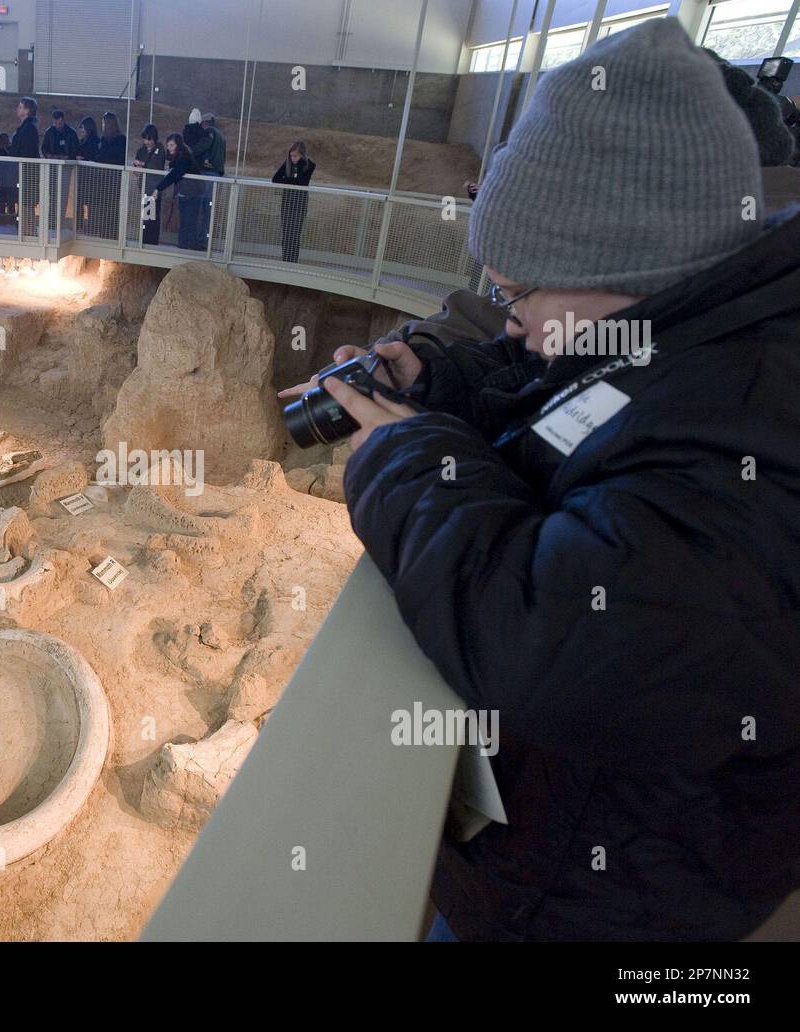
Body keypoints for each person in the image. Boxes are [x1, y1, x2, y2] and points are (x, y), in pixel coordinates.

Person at [300, 19, 800, 942]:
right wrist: (439, 382)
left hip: (623, 903)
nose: (510, 318)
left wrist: (403, 462)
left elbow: (558, 643)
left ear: (632, 270)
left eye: (520, 291)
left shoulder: (762, 419)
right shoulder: (683, 331)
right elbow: (566, 404)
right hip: (569, 850)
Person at [153, 132, 205, 250]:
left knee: (189, 221)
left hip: (192, 193)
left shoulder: (184, 157)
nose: (169, 148)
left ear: (178, 145)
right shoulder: (181, 156)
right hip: (185, 193)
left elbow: (174, 175)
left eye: (171, 145)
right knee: (185, 220)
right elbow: (175, 170)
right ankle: (184, 245)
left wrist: (158, 188)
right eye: (168, 145)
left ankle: (188, 246)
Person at [272, 141, 315, 262]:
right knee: (286, 234)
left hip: (299, 205)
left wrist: (290, 177)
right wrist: (291, 179)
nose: (293, 158)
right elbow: (275, 179)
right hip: (287, 204)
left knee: (295, 235)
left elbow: (302, 181)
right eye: (291, 156)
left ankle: (292, 262)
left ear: (302, 155)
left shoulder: (309, 165)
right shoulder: (287, 164)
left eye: (296, 156)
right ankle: (285, 260)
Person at [10, 96, 41, 235]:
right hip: (23, 173)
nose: (17, 108)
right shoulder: (27, 127)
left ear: (27, 110)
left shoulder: (28, 129)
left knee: (26, 205)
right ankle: (25, 232)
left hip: (26, 175)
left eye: (21, 106)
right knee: (24, 205)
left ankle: (27, 233)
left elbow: (26, 152)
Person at [134, 123, 166, 245]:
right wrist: (137, 167)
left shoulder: (160, 149)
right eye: (145, 139)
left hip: (155, 189)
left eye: (149, 139)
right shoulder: (141, 151)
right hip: (144, 187)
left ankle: (152, 241)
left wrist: (142, 164)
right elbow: (136, 170)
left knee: (153, 216)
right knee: (146, 216)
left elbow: (157, 166)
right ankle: (145, 240)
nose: (147, 142)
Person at [74, 115, 100, 235]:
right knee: (79, 201)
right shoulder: (82, 141)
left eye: (83, 128)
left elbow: (95, 157)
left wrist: (84, 158)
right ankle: (79, 226)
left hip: (91, 177)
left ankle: (91, 227)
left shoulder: (94, 141)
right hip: (82, 176)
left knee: (90, 203)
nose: (81, 131)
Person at [0, 131, 17, 217]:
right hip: (10, 174)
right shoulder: (10, 149)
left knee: (1, 193)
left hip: (0, 174)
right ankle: (11, 213)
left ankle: (1, 213)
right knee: (10, 193)